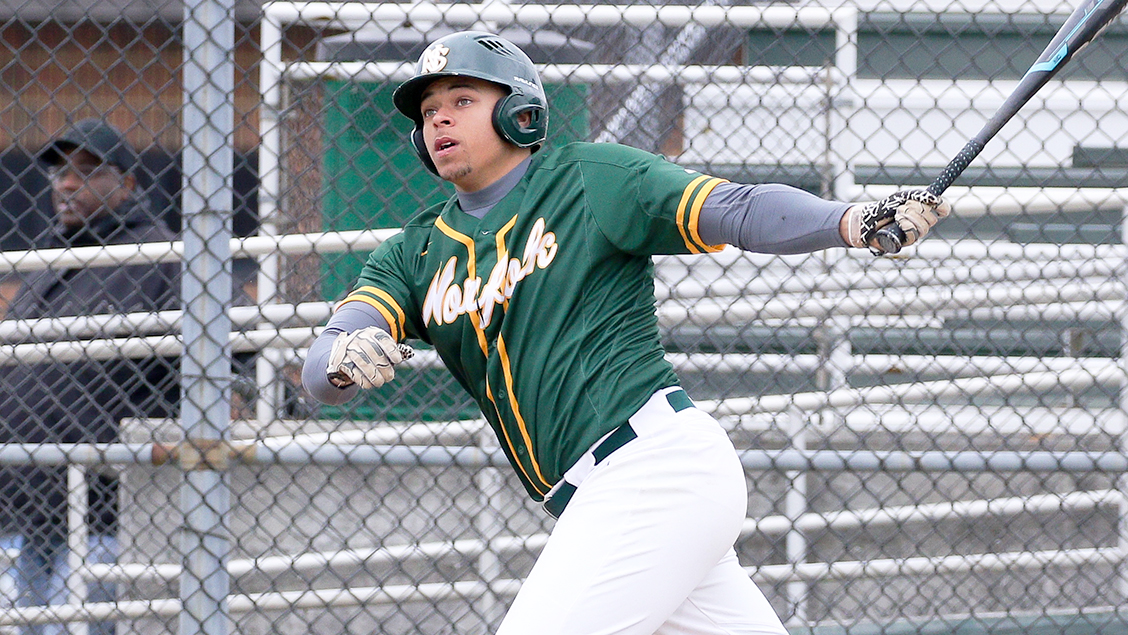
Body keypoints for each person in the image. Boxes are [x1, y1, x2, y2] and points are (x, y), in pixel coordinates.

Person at [302, 31, 950, 635]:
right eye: (428, 110)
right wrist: (341, 357)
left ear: (519, 112)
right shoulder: (413, 252)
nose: (437, 118)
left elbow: (736, 207)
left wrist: (852, 219)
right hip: (606, 500)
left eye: (463, 99)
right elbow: (326, 360)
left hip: (649, 468)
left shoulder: (590, 178)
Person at [0, 119, 179, 635]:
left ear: (127, 184)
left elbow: (237, 356)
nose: (67, 184)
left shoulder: (161, 257)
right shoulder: (50, 260)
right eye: (60, 172)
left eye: (87, 171)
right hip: (26, 508)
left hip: (102, 514)